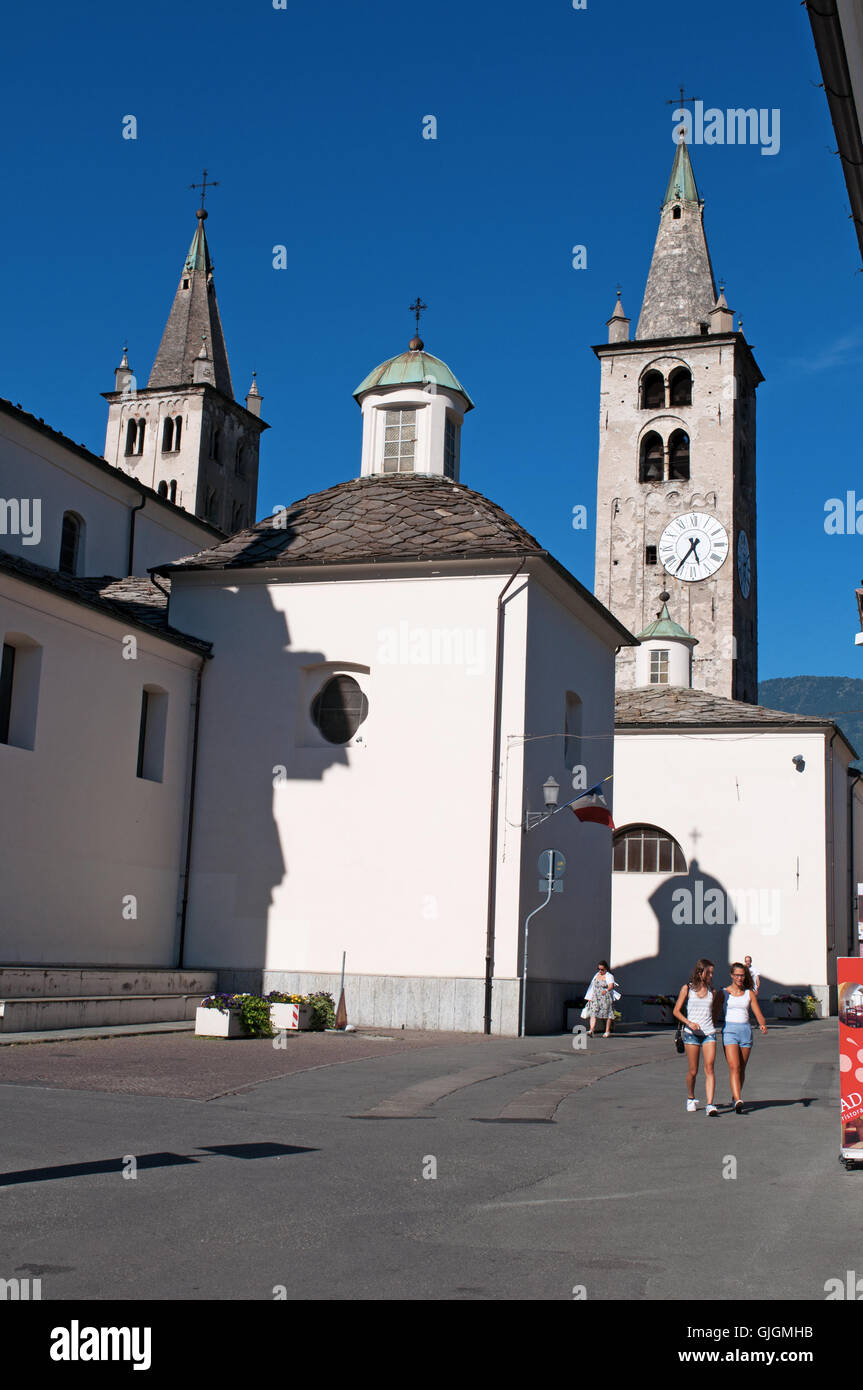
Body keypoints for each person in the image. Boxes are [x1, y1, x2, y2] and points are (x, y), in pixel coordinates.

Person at [714, 962, 768, 1113]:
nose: (739, 978)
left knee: (742, 1068)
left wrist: (762, 1024)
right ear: (731, 975)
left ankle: (735, 1097)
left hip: (745, 1030)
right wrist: (709, 1028)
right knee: (734, 1067)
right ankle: (738, 1099)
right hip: (729, 1030)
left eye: (742, 975)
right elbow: (715, 1012)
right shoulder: (723, 992)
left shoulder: (749, 993)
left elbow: (757, 1012)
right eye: (737, 975)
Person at [673, 958, 719, 1116]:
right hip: (691, 1034)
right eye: (709, 972)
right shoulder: (687, 989)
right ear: (700, 972)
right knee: (693, 1071)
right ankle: (691, 1097)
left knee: (710, 1068)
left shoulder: (713, 991)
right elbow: (676, 1011)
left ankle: (710, 1104)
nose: (711, 975)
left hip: (709, 1033)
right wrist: (689, 1023)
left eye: (713, 972)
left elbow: (714, 1013)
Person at [585, 960, 619, 1037]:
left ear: (606, 969)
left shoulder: (609, 976)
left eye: (602, 969)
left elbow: (611, 986)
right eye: (599, 969)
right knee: (593, 1013)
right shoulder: (596, 975)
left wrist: (606, 990)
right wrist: (589, 997)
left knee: (607, 1014)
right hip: (595, 997)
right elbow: (592, 987)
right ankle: (591, 1030)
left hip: (605, 998)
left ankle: (607, 1031)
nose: (600, 971)